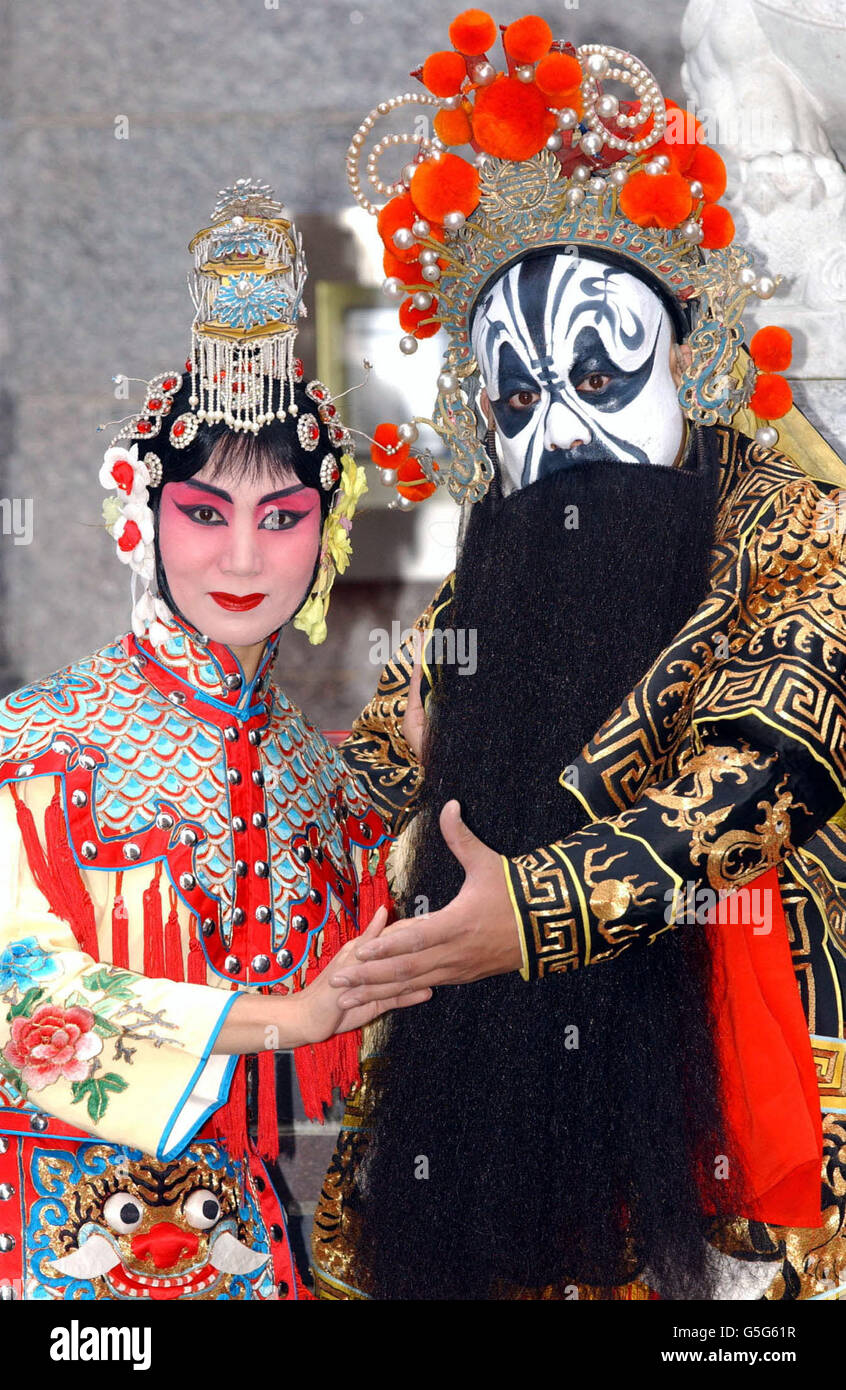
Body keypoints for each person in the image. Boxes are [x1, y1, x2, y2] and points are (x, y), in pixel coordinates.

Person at [311, 12, 846, 1300]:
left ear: (689, 356)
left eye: (602, 369)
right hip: (507, 1158)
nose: (557, 436)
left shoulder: (791, 521)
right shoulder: (474, 595)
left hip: (757, 1142)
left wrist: (533, 914)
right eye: (513, 398)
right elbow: (364, 777)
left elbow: (767, 766)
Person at [0, 179, 429, 1303]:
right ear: (142, 519)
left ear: (325, 535)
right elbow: (21, 985)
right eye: (206, 513)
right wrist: (279, 1018)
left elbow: (387, 907)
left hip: (241, 1235)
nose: (243, 560)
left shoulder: (311, 771)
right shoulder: (35, 743)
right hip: (45, 1236)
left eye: (282, 518)